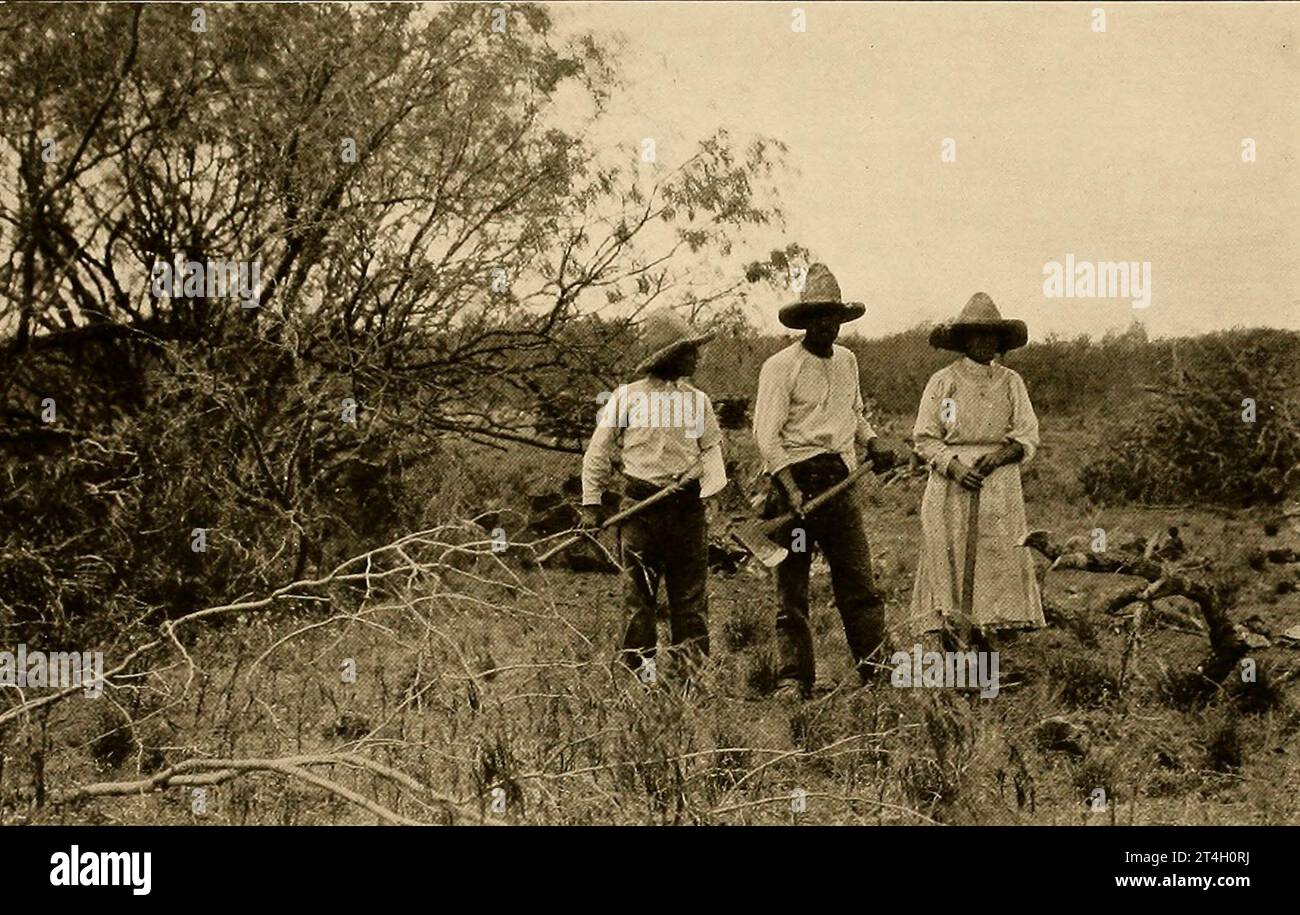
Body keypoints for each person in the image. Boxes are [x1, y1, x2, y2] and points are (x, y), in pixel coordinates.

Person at [752, 263, 899, 700]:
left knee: (857, 579)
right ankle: (794, 677)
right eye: (817, 317)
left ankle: (876, 669)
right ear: (804, 322)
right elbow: (765, 434)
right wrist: (792, 492)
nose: (826, 325)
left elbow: (853, 414)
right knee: (792, 583)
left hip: (838, 484)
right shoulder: (781, 367)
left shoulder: (848, 362)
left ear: (840, 319)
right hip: (792, 483)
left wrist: (872, 442)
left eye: (832, 317)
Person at [581, 308, 727, 680]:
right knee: (638, 601)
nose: (697, 356)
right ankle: (641, 680)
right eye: (689, 350)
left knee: (691, 600)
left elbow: (711, 451)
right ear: (670, 356)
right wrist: (591, 505)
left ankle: (690, 680)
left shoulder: (698, 401)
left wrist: (702, 482)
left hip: (686, 511)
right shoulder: (626, 398)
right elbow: (598, 451)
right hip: (640, 511)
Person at [907, 292, 1044, 648]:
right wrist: (953, 467)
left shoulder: (1011, 382)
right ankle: (955, 652)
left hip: (998, 488)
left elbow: (1027, 434)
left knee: (994, 565)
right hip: (951, 487)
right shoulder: (944, 382)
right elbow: (925, 437)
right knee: (950, 565)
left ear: (1000, 341)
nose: (984, 342)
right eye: (977, 335)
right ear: (964, 339)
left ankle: (989, 655)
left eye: (991, 336)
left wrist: (1000, 457)